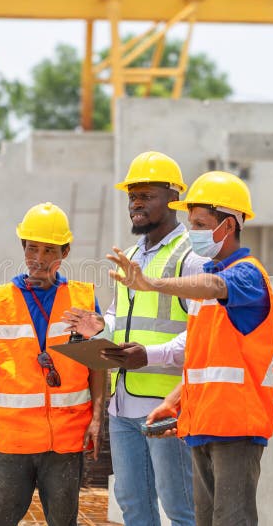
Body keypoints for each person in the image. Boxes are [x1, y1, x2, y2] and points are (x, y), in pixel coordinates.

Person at [107, 171, 273, 526]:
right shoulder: (206, 287)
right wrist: (174, 403)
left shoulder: (247, 275)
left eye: (200, 224)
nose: (192, 231)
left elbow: (214, 285)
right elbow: (202, 361)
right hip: (201, 426)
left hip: (236, 430)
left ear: (228, 226)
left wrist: (152, 283)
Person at [63, 152, 203, 526]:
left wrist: (149, 355)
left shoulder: (190, 257)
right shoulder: (129, 256)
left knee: (181, 508)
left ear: (173, 199)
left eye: (146, 195)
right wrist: (99, 329)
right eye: (132, 196)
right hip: (123, 407)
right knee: (133, 506)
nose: (136, 204)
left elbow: (203, 336)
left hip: (167, 408)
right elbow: (120, 318)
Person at [0, 202, 107, 526]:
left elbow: (97, 363)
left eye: (49, 250)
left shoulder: (82, 300)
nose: (39, 258)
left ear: (65, 252)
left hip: (66, 440)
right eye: (32, 248)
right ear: (23, 248)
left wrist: (97, 416)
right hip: (14, 439)